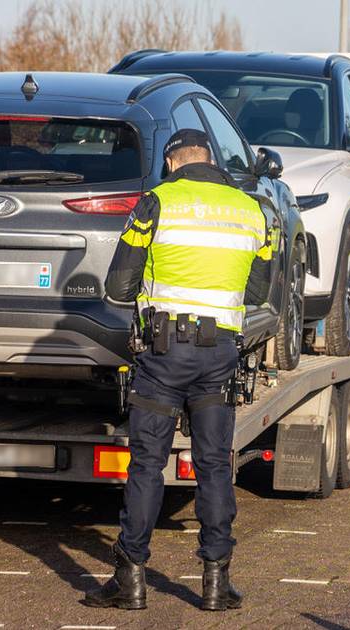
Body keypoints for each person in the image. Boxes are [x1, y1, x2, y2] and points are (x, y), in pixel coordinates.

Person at [84, 128, 269, 612]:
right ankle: (216, 582)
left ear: (171, 163)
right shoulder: (251, 210)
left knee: (148, 463)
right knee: (214, 464)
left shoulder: (157, 202)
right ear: (209, 159)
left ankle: (130, 579)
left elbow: (119, 287)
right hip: (219, 354)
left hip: (164, 354)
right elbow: (258, 291)